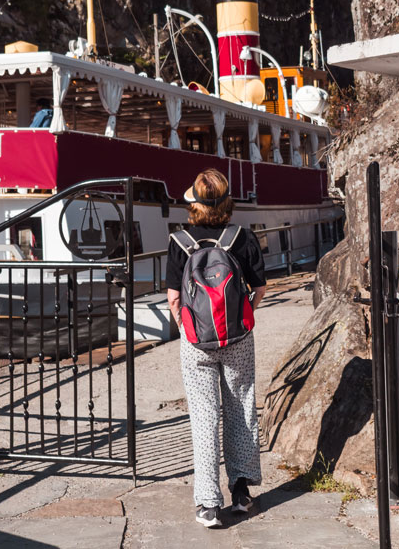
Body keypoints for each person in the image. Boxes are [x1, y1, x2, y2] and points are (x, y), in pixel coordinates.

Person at [166, 168, 267, 528]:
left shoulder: (180, 241)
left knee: (204, 417)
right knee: (241, 408)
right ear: (227, 202)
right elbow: (259, 288)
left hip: (196, 343)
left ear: (194, 202)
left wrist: (188, 330)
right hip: (238, 338)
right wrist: (241, 319)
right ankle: (241, 492)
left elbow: (174, 298)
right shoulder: (242, 237)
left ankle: (208, 504)